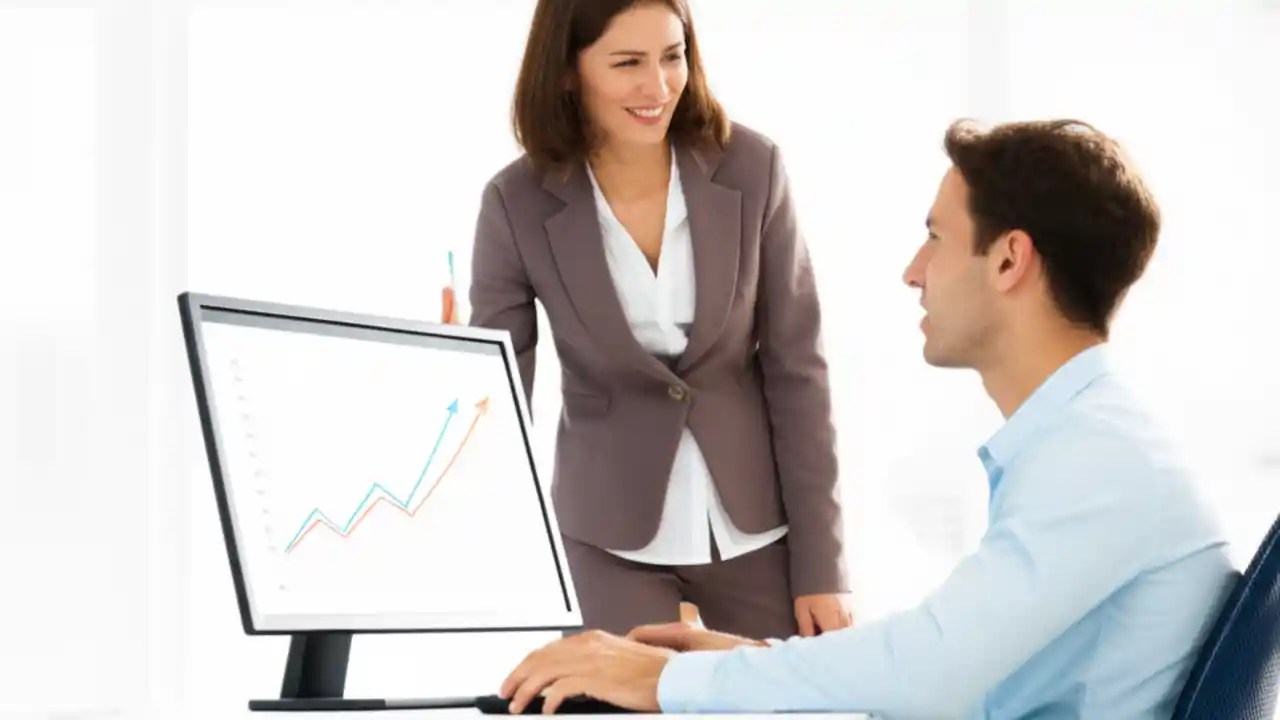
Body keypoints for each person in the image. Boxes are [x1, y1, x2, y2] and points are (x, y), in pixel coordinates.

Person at [494, 119, 1237, 718]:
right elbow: (958, 668)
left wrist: (664, 682)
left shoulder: (1098, 458)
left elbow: (930, 673)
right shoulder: (1091, 439)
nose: (914, 270)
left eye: (937, 238)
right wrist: (744, 667)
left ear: (1010, 261)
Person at [453, 0, 852, 639]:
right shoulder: (516, 201)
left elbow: (798, 369)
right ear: (566, 72)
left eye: (673, 56)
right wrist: (451, 371)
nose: (659, 86)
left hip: (755, 524)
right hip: (607, 534)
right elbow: (500, 395)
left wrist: (824, 565)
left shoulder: (753, 167)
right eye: (627, 63)